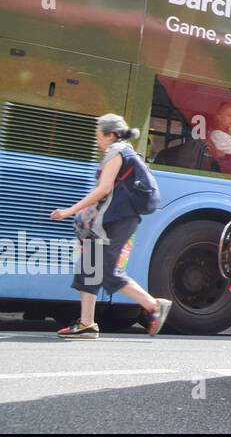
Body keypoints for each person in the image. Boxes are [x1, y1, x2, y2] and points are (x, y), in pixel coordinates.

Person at [49, 114, 172, 339]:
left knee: (104, 270)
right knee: (89, 267)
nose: (97, 140)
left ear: (110, 135)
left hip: (118, 220)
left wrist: (69, 211)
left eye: (99, 135)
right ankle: (86, 324)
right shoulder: (119, 151)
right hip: (107, 220)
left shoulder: (117, 152)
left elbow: (103, 189)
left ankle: (154, 306)